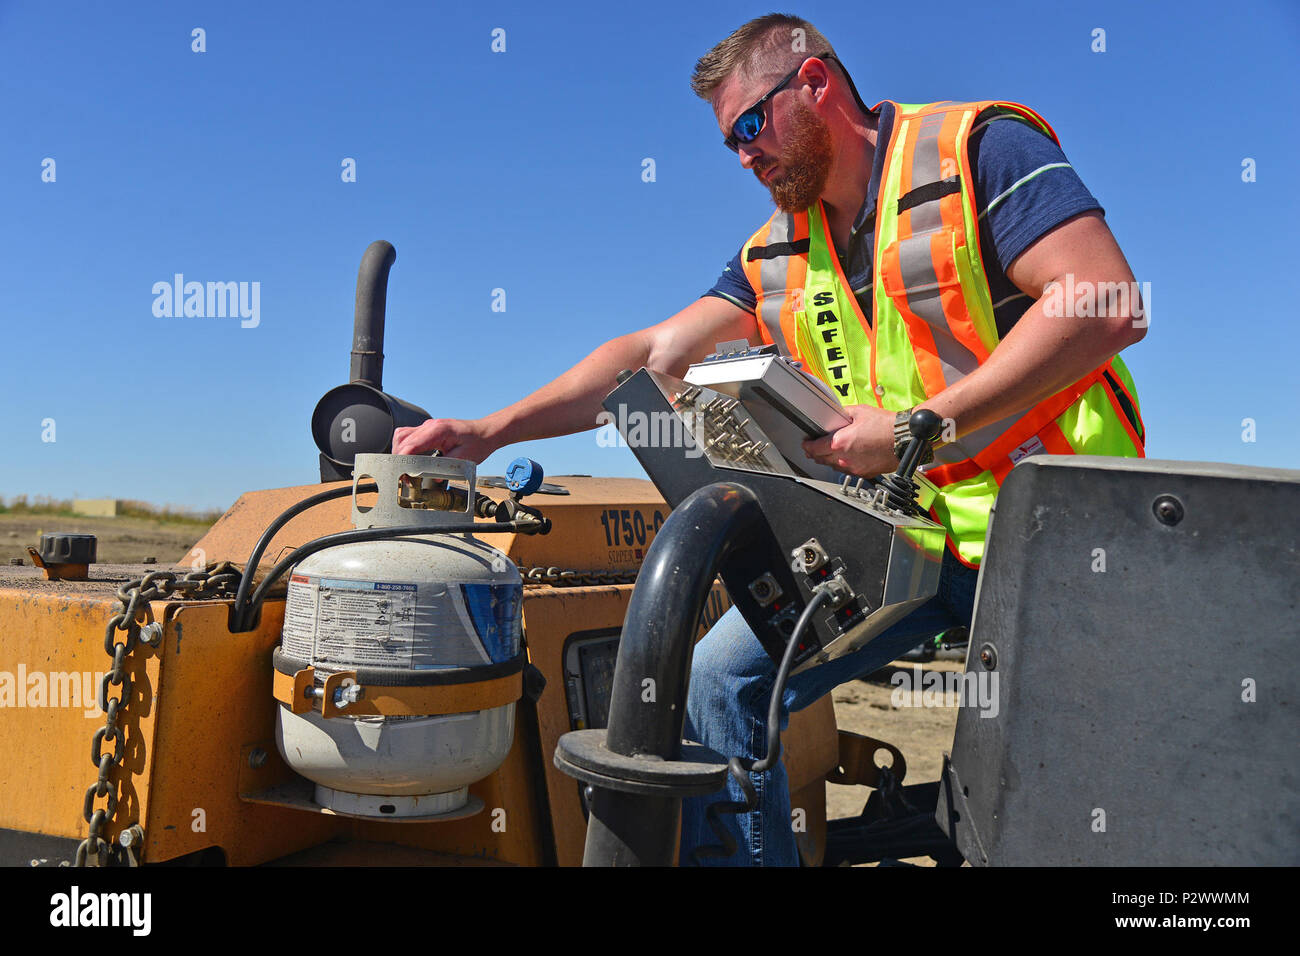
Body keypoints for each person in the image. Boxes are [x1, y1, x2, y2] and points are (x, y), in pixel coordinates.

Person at [393, 13, 1147, 866]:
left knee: (1046, 776)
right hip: (909, 539)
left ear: (817, 85)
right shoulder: (777, 254)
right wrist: (491, 431)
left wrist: (916, 429)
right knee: (718, 681)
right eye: (730, 145)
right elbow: (649, 360)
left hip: (1047, 532)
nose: (745, 156)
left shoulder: (978, 151)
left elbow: (1106, 299)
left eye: (750, 126)